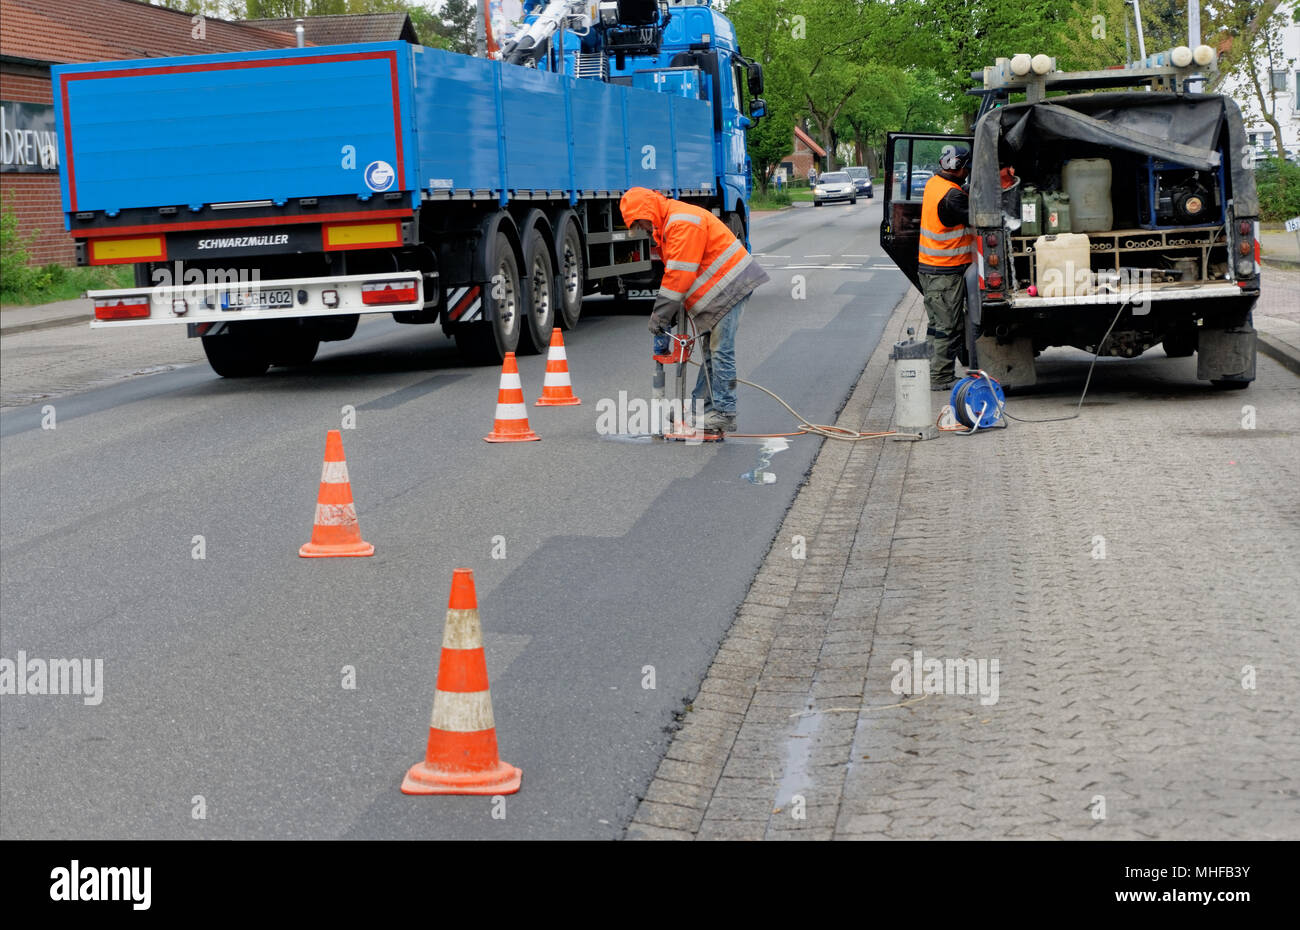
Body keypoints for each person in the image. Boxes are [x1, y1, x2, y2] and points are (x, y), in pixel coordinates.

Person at [619, 188, 769, 433]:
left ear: (648, 211)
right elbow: (678, 274)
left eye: (640, 222)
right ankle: (700, 409)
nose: (642, 229)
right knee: (711, 351)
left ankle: (724, 412)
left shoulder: (681, 223)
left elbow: (679, 275)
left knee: (720, 350)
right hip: (722, 290)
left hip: (732, 287)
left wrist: (660, 316)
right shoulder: (666, 225)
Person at [918, 145, 975, 391]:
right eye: (967, 167)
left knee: (935, 325)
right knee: (947, 327)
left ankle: (932, 371)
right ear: (959, 166)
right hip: (945, 271)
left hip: (931, 271)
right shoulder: (953, 196)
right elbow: (978, 216)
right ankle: (940, 377)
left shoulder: (934, 184)